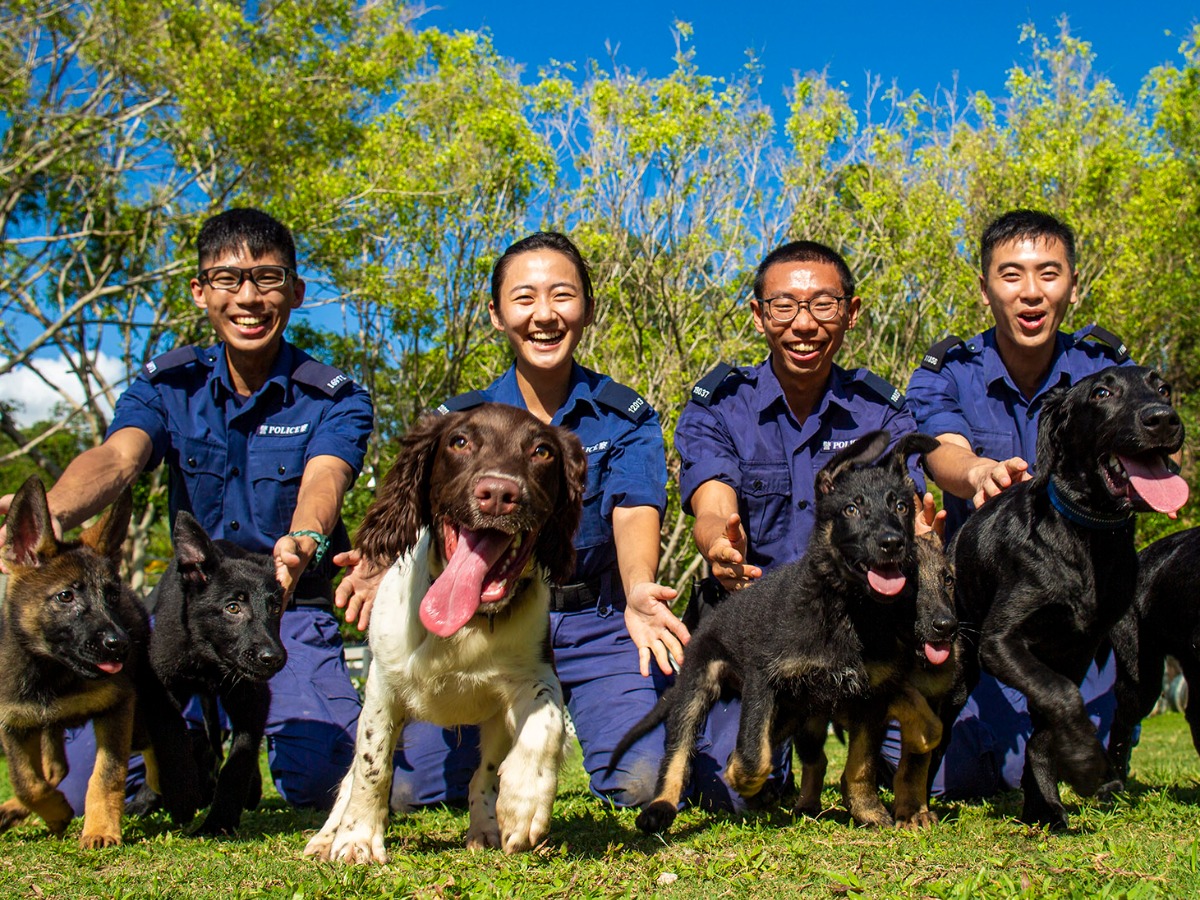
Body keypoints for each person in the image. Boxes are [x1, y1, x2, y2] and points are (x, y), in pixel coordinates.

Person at [0, 207, 374, 812]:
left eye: (268, 279)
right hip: (184, 614)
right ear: (201, 291)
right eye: (227, 280)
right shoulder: (166, 386)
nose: (248, 298)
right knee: (91, 785)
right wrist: (54, 515)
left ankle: (232, 748)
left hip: (281, 605)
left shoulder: (333, 397)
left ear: (296, 292)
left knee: (321, 779)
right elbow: (118, 460)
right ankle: (189, 748)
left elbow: (325, 479)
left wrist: (303, 538)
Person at [336, 231, 690, 809]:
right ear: (497, 313)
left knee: (643, 782)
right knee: (413, 794)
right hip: (481, 622)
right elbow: (413, 501)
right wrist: (379, 562)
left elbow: (633, 509)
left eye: (562, 296)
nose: (544, 315)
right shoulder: (459, 422)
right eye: (524, 298)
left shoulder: (625, 416)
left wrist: (638, 591)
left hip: (595, 620)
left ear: (588, 309)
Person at [673, 239, 928, 807]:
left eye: (823, 305)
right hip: (757, 629)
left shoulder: (881, 412)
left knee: (954, 770)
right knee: (732, 794)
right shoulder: (720, 405)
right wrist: (720, 543)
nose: (804, 324)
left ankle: (857, 764)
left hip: (865, 627)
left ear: (851, 312)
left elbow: (910, 503)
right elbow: (712, 504)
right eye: (784, 306)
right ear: (760, 315)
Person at [906, 208, 1133, 798]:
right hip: (982, 613)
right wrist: (977, 470)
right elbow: (941, 450)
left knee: (1055, 769)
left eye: (1048, 274)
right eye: (1011, 275)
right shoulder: (947, 372)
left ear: (1072, 285)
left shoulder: (1108, 373)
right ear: (985, 291)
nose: (1031, 293)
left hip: (1074, 618)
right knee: (947, 771)